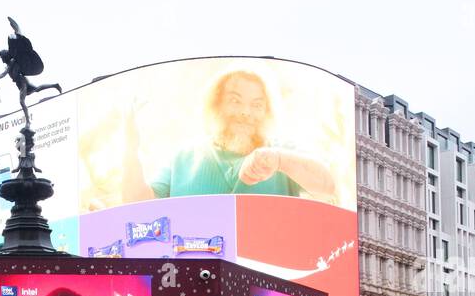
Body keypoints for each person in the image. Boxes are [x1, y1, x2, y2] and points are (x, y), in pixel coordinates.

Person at [121, 70, 339, 204]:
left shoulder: (281, 151)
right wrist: (130, 150)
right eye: (235, 100)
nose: (246, 112)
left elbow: (327, 186)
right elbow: (137, 206)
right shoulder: (184, 158)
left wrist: (280, 160)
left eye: (257, 104)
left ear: (267, 111)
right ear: (216, 104)